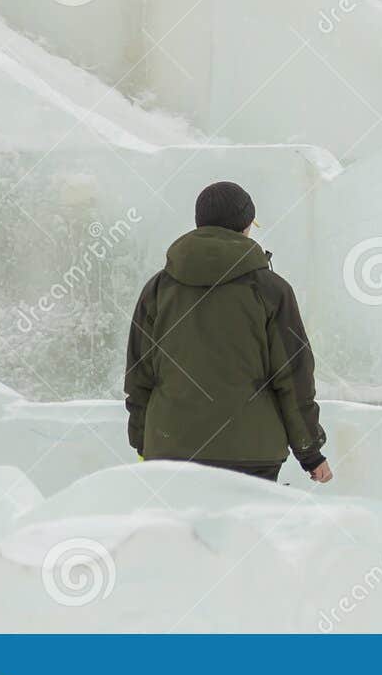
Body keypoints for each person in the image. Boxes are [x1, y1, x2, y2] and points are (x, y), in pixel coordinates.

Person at [124, 181, 331, 484]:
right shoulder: (270, 290)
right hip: (252, 453)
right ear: (247, 225)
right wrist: (310, 454)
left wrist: (145, 443)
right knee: (246, 531)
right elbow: (293, 377)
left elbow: (139, 374)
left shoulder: (158, 288)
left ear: (199, 222)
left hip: (171, 449)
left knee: (181, 532)